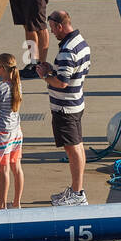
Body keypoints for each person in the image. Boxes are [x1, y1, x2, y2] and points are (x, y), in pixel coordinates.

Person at [38, 10, 91, 206]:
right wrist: (53, 70)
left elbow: (61, 83)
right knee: (77, 146)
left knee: (73, 149)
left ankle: (77, 194)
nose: (52, 32)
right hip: (76, 103)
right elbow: (71, 74)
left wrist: (45, 75)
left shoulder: (68, 50)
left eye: (52, 28)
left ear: (60, 26)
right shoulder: (81, 43)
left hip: (65, 108)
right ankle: (77, 190)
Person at [0, 53, 24, 210]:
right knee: (17, 167)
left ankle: (2, 206)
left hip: (3, 132)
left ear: (1, 68)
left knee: (4, 170)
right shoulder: (18, 85)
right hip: (16, 130)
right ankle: (17, 203)